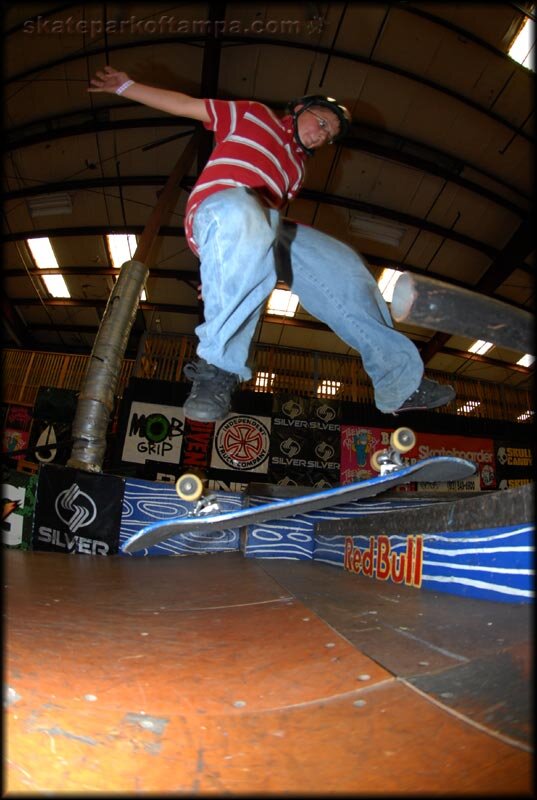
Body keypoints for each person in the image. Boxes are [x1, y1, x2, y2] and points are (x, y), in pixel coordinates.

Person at [88, 66, 455, 421]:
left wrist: (227, 269)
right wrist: (125, 87)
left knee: (342, 264)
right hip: (222, 208)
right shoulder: (252, 115)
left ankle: (399, 382)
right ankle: (218, 366)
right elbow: (186, 104)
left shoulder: (296, 170)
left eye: (328, 137)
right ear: (298, 108)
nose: (321, 136)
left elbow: (270, 224)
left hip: (267, 228)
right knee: (242, 214)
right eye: (321, 123)